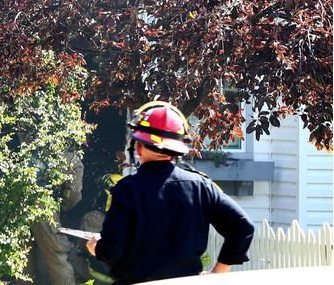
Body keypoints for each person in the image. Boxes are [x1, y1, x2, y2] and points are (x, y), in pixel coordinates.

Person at [84, 101, 255, 283]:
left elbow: (112, 252)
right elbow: (243, 227)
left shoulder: (126, 191)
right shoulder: (201, 187)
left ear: (139, 148)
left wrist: (97, 247)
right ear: (175, 151)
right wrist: (218, 272)